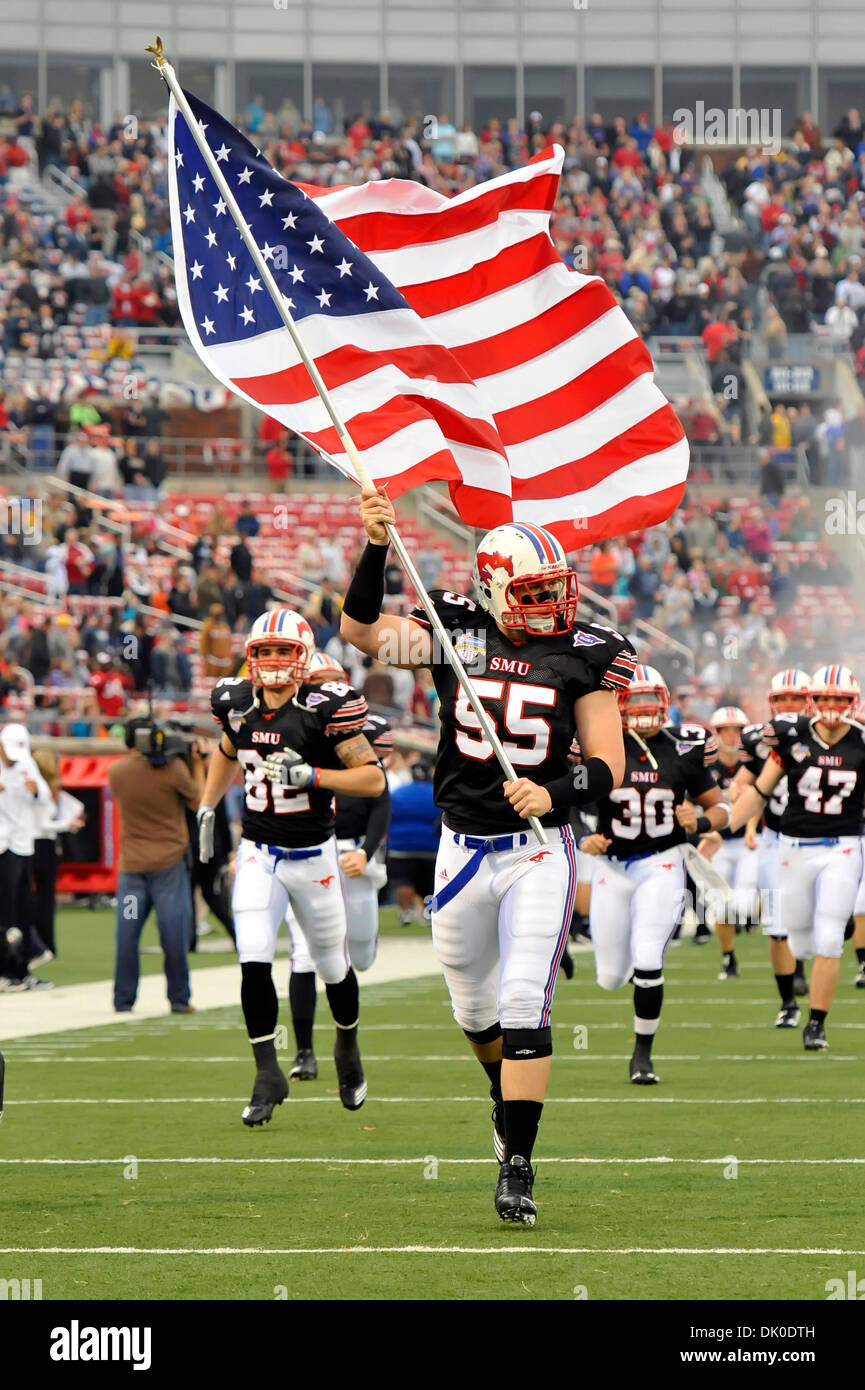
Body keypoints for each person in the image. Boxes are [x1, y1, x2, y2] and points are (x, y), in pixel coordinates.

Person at [341, 491, 633, 1227]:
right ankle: (504, 1101)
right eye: (533, 592)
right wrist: (376, 547)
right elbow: (361, 634)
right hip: (460, 847)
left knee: (524, 998)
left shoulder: (585, 653)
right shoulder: (453, 631)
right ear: (495, 588)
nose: (550, 606)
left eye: (555, 591)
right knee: (474, 1012)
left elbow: (609, 764)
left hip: (539, 850)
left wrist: (556, 790)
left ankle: (518, 1166)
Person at [197, 609, 386, 1126]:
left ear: (303, 658)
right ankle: (266, 1072)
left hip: (314, 857)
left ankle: (347, 1048)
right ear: (250, 657)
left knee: (331, 966)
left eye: (284, 651)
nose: (274, 661)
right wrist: (208, 803)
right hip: (259, 853)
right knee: (253, 955)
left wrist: (315, 776)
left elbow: (372, 781)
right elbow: (225, 751)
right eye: (265, 651)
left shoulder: (324, 709)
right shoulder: (237, 706)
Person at [578, 665, 727, 1084]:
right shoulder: (598, 744)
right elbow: (566, 799)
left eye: (650, 699)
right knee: (609, 978)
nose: (643, 708)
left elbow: (722, 808)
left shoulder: (682, 749)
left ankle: (642, 1055)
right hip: (611, 867)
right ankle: (633, 978)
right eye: (635, 699)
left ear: (664, 702)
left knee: (648, 957)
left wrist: (697, 820)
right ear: (619, 703)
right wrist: (582, 835)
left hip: (662, 862)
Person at [727, 665, 865, 1051]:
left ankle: (816, 1023)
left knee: (829, 938)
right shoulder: (792, 737)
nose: (834, 706)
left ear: (853, 702)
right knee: (799, 939)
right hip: (793, 847)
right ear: (813, 701)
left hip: (843, 845)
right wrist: (718, 824)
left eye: (841, 699)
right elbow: (758, 790)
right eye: (826, 698)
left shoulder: (862, 742)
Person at [286, 653, 392, 1080]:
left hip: (352, 855)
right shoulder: (285, 730)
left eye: (333, 682)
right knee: (303, 955)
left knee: (360, 956)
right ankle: (304, 1052)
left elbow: (380, 799)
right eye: (318, 682)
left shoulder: (358, 733)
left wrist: (366, 851)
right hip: (307, 850)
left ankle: (341, 1035)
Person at [108, 718, 207, 1014]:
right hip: (168, 867)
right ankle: (179, 998)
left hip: (132, 869)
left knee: (127, 935)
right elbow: (198, 800)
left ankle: (122, 999)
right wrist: (197, 764)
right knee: (173, 934)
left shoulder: (116, 772)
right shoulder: (174, 770)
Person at [733, 670, 813, 1027]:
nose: (787, 706)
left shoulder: (826, 736)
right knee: (778, 923)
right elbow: (743, 783)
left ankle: (802, 963)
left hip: (818, 839)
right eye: (780, 700)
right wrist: (736, 801)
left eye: (794, 698)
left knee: (811, 916)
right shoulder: (756, 738)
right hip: (774, 837)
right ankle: (788, 1003)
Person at [697, 706, 762, 980]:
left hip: (747, 841)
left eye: (737, 730)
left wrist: (750, 828)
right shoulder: (705, 765)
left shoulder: (754, 762)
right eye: (727, 730)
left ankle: (752, 915)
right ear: (716, 732)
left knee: (745, 903)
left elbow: (759, 797)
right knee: (721, 905)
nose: (733, 736)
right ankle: (728, 957)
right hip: (719, 842)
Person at [387, 755, 439, 924]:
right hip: (430, 846)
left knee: (402, 881)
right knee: (430, 884)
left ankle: (405, 913)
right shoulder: (435, 794)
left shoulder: (398, 793)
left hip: (400, 846)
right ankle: (430, 914)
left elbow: (387, 816)